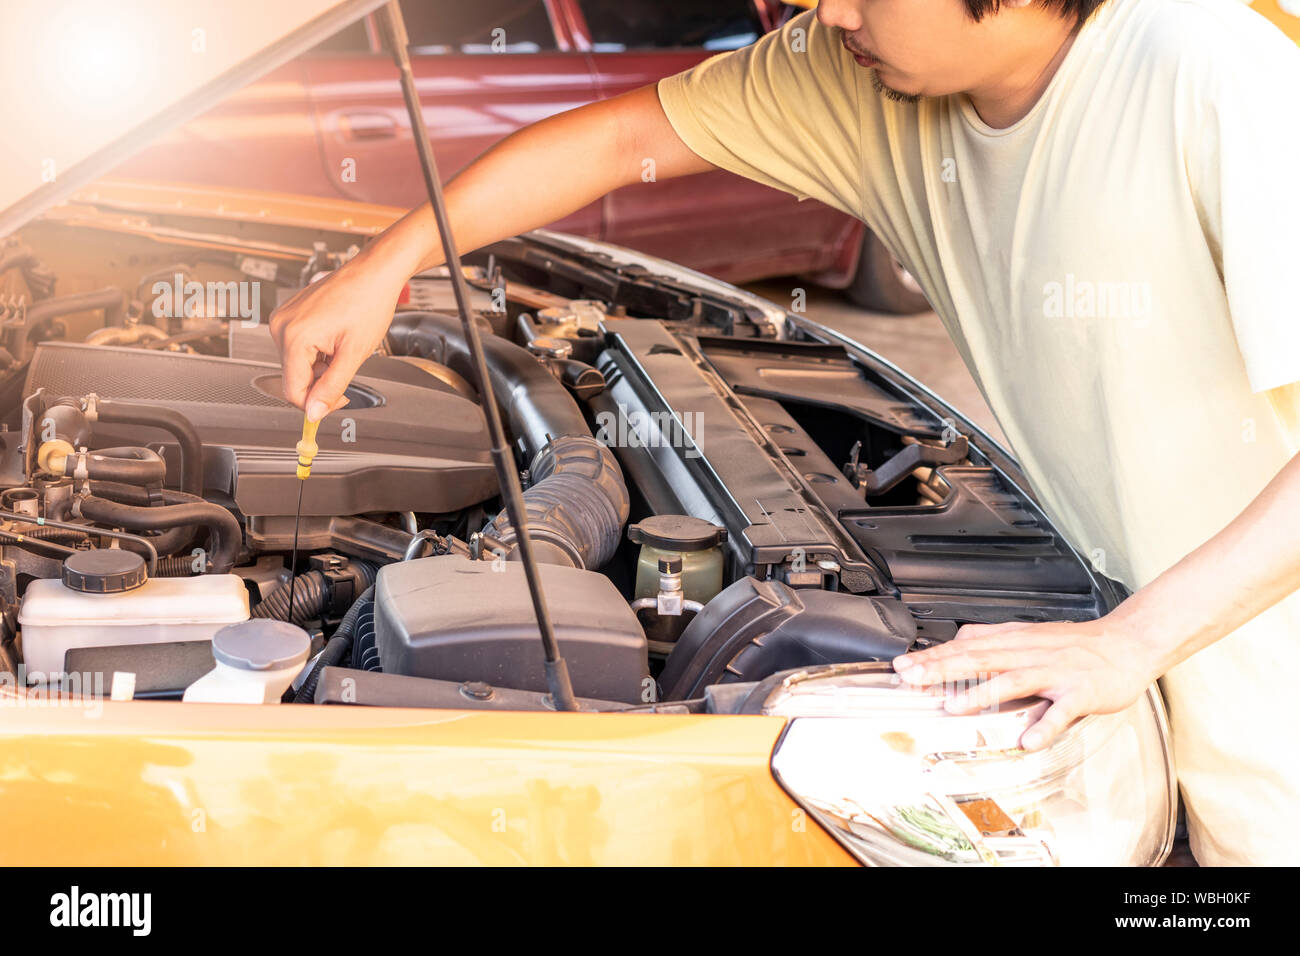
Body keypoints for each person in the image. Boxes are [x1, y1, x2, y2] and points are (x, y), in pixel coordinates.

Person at [270, 0, 1300, 864]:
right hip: (1144, 728)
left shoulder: (1210, 75)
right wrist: (390, 261)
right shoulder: (860, 74)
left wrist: (1129, 640)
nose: (828, 10)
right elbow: (620, 139)